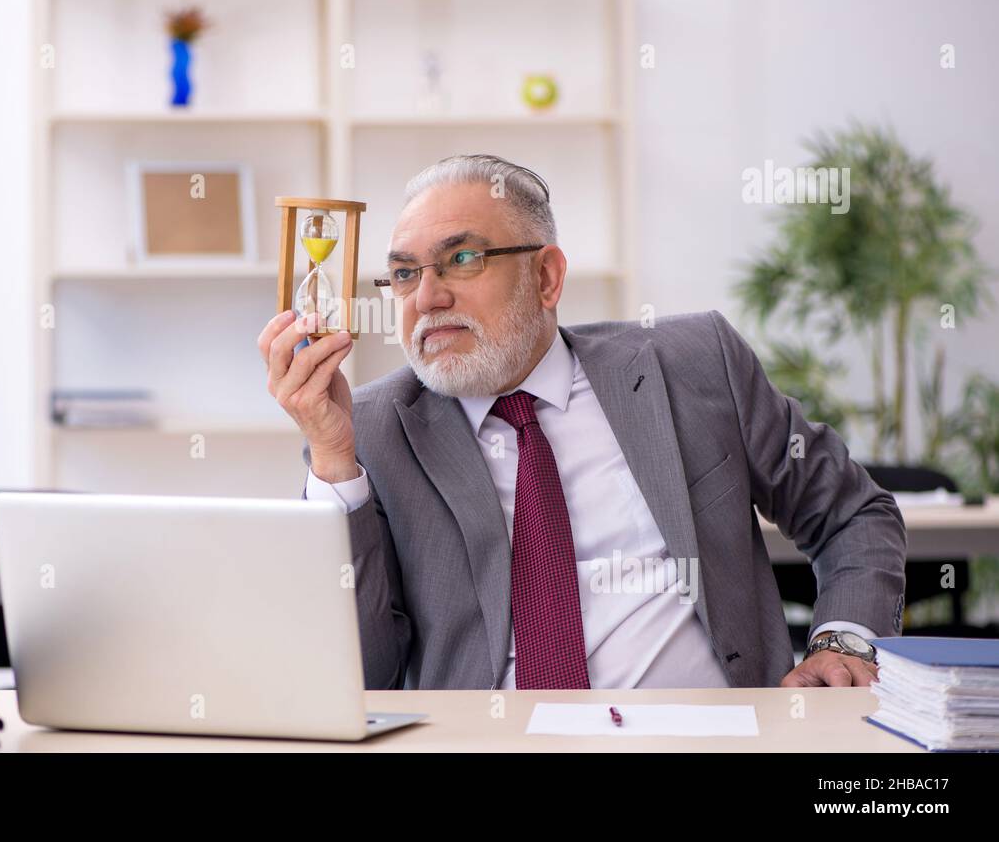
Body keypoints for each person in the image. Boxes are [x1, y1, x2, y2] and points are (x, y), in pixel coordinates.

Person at [256, 153, 906, 690]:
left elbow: (853, 514)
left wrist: (844, 641)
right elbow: (358, 676)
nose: (427, 297)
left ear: (546, 275)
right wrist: (334, 460)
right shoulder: (369, 429)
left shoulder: (696, 364)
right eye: (403, 272)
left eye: (462, 260)